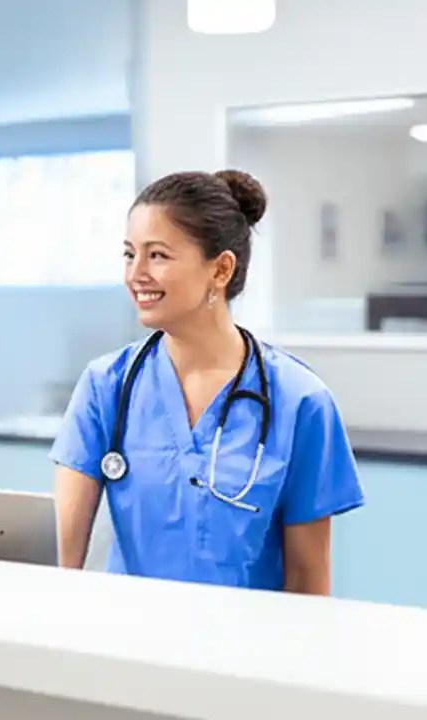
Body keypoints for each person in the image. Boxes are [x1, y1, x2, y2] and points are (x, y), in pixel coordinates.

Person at [51, 169, 364, 593]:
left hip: (245, 651)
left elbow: (309, 579)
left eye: (157, 255)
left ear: (220, 270)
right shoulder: (106, 386)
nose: (136, 273)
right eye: (129, 255)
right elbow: (63, 565)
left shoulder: (300, 401)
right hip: (127, 643)